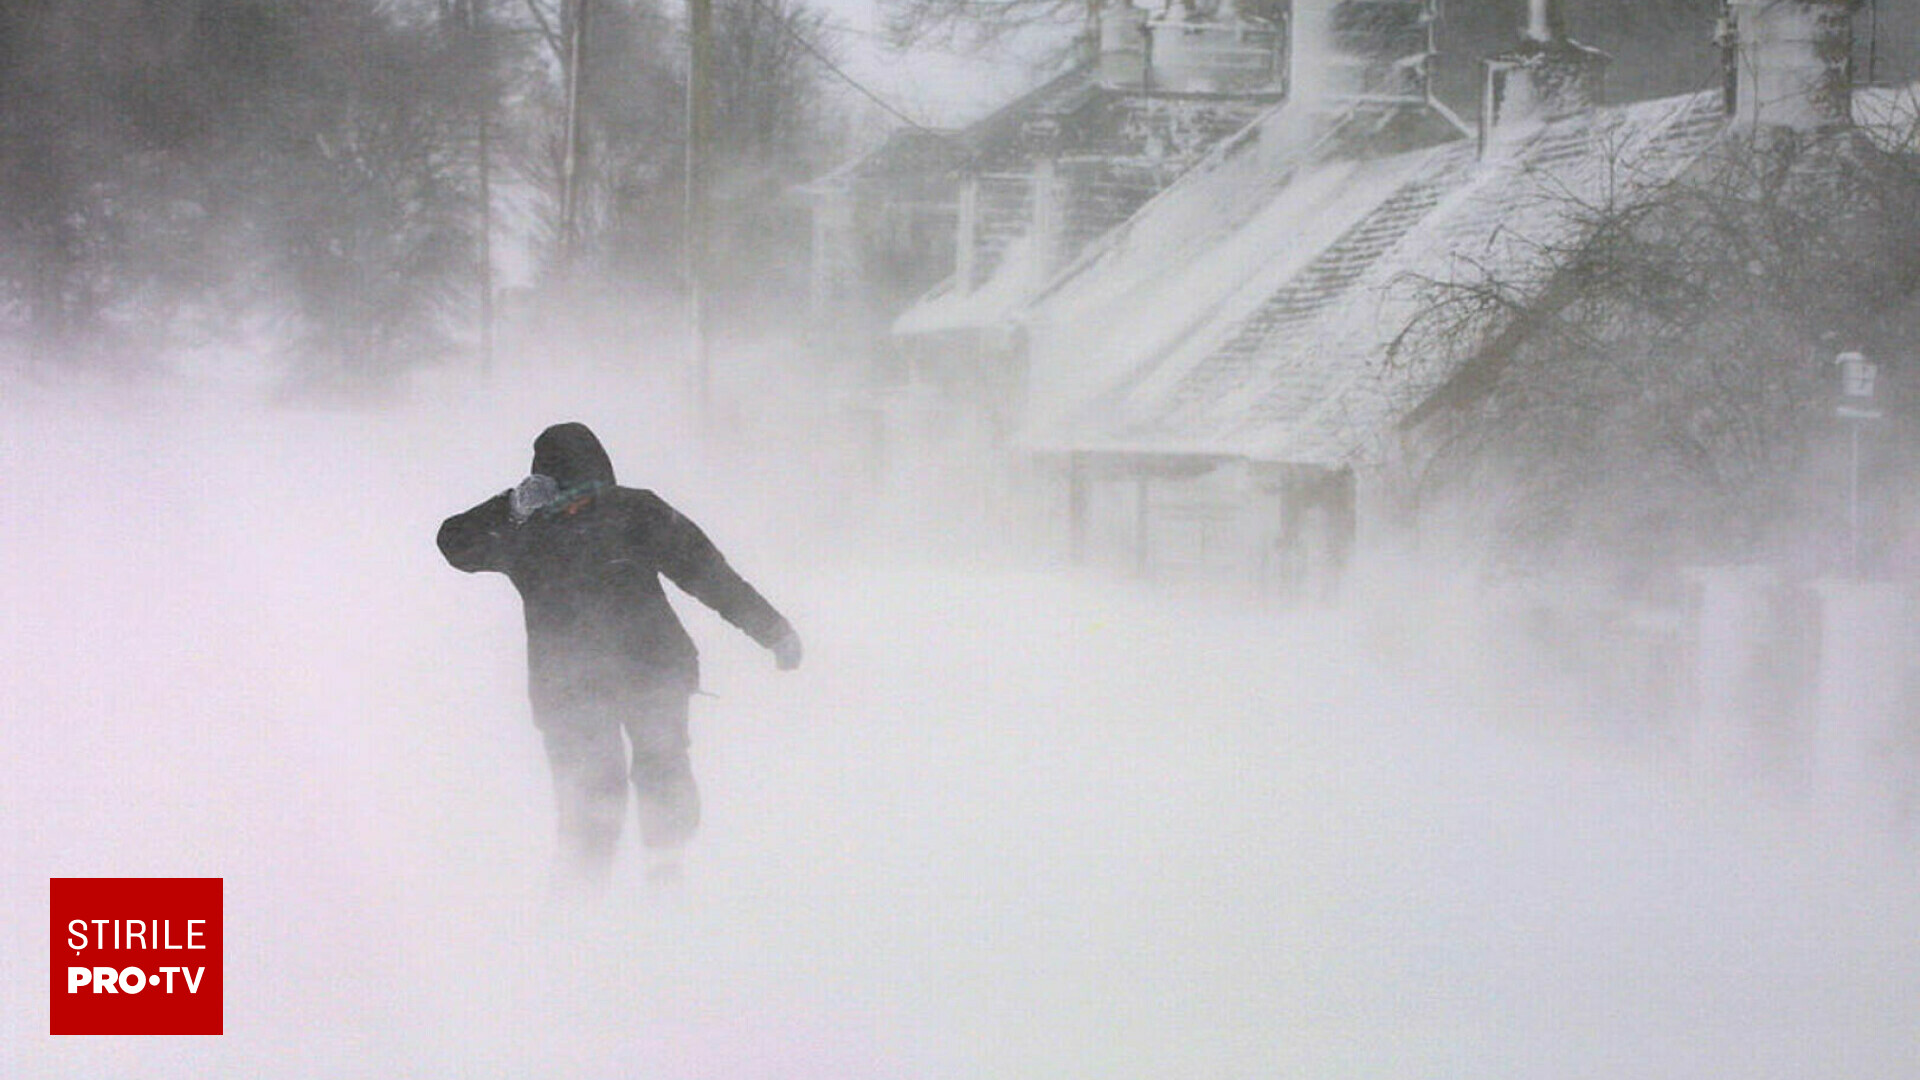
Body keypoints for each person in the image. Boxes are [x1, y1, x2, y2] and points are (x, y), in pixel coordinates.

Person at [437, 422, 801, 887]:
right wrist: (509, 508)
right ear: (543, 491)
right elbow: (454, 543)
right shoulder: (524, 530)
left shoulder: (636, 513)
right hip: (567, 691)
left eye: (590, 491)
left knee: (663, 771)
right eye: (567, 494)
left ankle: (666, 878)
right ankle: (578, 914)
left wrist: (773, 631)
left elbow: (710, 576)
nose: (578, 504)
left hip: (654, 671)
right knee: (589, 801)